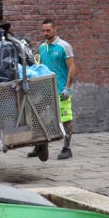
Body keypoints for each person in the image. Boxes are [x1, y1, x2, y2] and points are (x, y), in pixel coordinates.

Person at [27, 18, 76, 160]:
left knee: (65, 119)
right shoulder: (42, 47)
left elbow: (72, 68)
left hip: (61, 90)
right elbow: (39, 67)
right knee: (39, 117)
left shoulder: (64, 46)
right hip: (44, 91)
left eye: (48, 30)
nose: (45, 33)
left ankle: (67, 148)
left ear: (55, 29)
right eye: (43, 30)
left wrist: (68, 88)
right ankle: (40, 147)